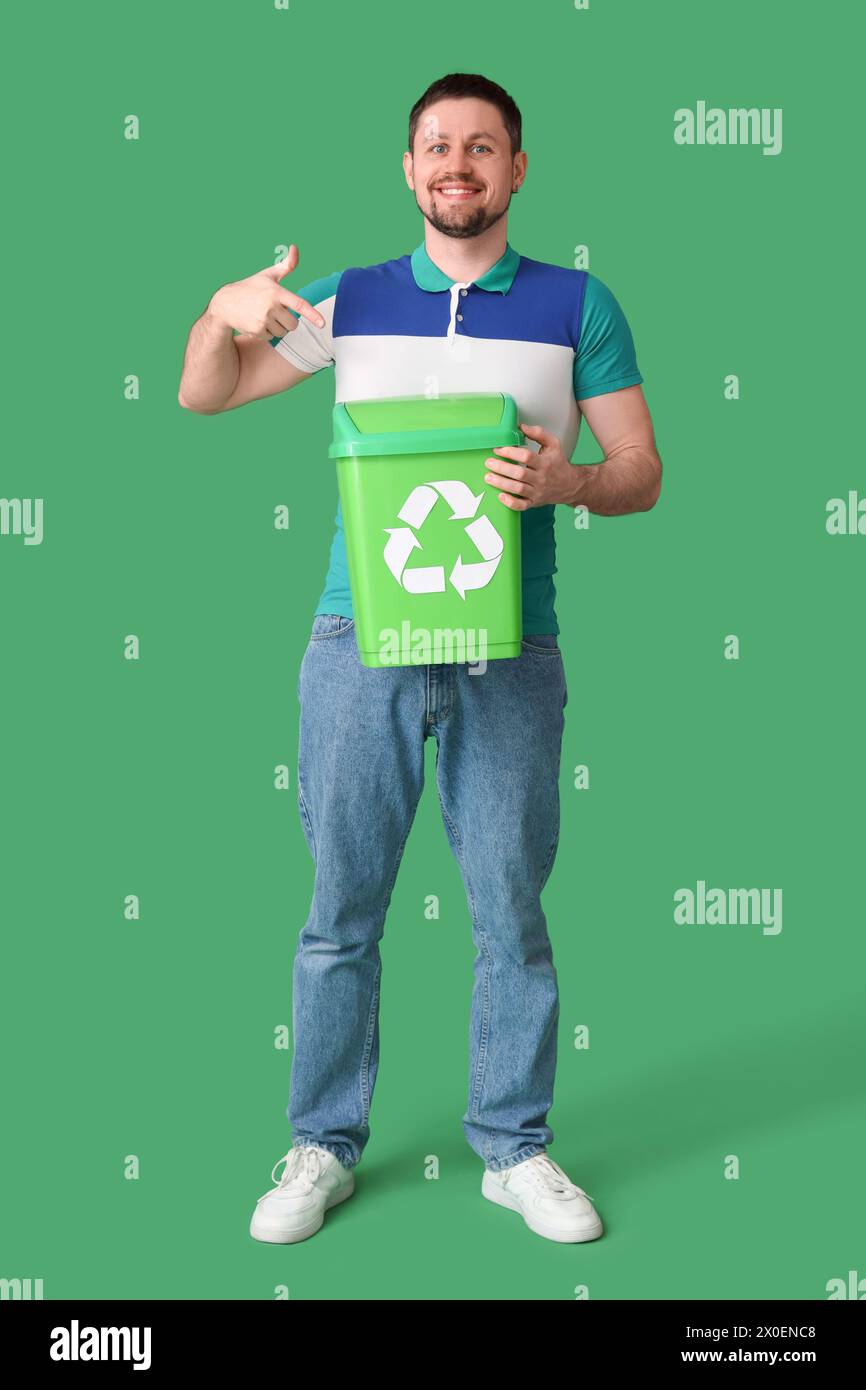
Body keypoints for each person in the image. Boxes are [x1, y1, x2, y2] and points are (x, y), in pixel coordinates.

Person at [178, 72, 661, 1247]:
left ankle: (515, 1147)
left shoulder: (576, 303)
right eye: (436, 146)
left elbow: (640, 470)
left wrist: (570, 481)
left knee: (508, 905)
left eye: (482, 146)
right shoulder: (348, 301)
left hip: (512, 644)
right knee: (341, 907)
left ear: (515, 170)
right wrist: (218, 313)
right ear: (408, 169)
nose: (458, 164)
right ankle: (320, 1144)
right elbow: (210, 394)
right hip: (359, 644)